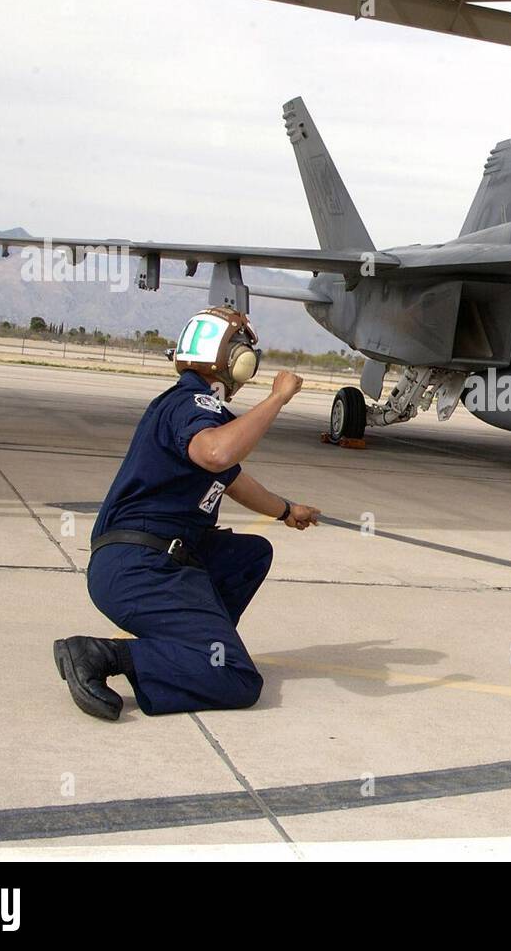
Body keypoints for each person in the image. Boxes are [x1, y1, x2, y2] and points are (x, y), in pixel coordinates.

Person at [53, 306, 322, 721]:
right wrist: (278, 397)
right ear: (235, 360)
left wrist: (287, 510)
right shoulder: (192, 405)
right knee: (239, 680)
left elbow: (233, 479)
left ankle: (196, 650)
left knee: (251, 554)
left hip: (139, 562)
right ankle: (102, 654)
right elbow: (218, 454)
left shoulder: (193, 409)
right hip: (141, 568)